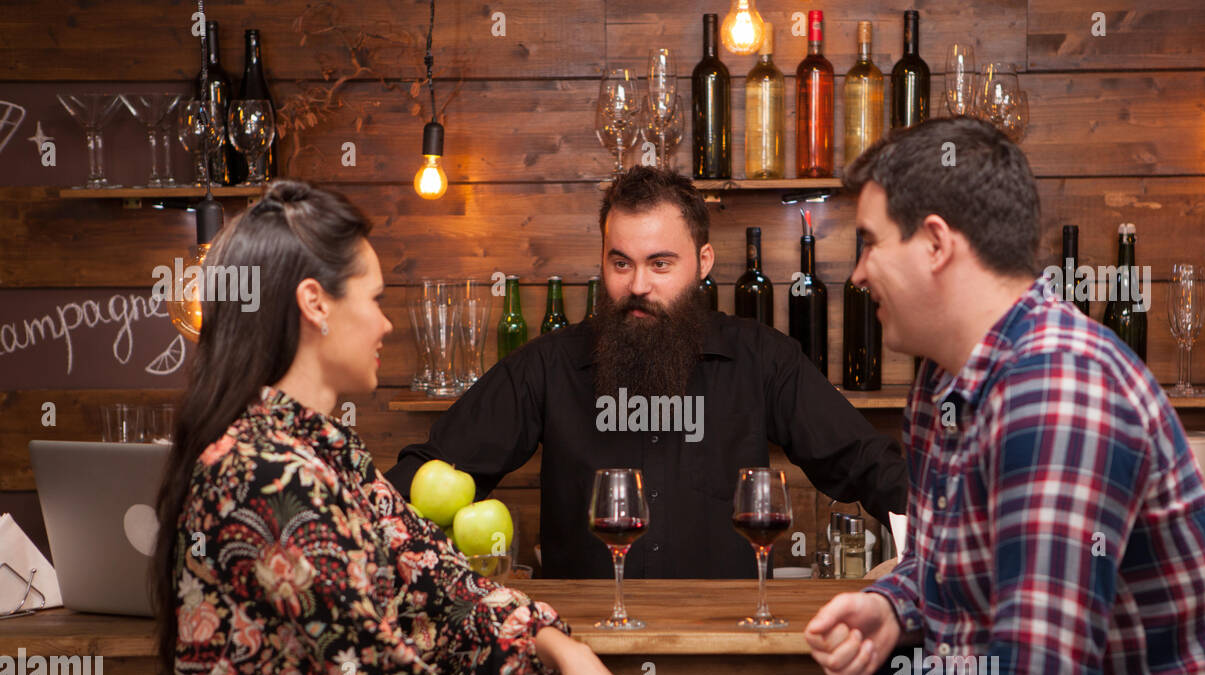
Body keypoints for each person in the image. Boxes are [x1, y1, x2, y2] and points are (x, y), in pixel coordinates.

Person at [141, 180, 655, 675]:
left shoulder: (328, 453)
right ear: (315, 304)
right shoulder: (266, 474)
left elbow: (437, 577)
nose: (388, 324)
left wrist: (561, 646)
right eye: (377, 300)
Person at [806, 118, 1205, 675]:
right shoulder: (945, 381)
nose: (858, 272)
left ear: (935, 243)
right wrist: (893, 607)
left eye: (868, 241)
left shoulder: (1058, 385)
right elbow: (946, 561)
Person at [386, 165, 909, 578]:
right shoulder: (548, 365)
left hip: (726, 655)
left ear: (703, 262)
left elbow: (867, 463)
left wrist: (954, 549)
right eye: (620, 263)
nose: (638, 285)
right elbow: (431, 471)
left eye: (660, 263)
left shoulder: (763, 359)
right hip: (582, 651)